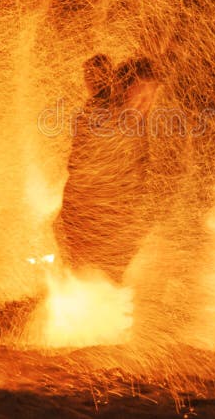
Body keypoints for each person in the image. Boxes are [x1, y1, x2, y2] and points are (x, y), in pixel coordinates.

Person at [55, 54, 158, 283]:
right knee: (91, 282)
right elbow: (84, 171)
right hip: (91, 222)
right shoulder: (101, 116)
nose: (146, 101)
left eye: (150, 95)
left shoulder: (137, 123)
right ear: (123, 88)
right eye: (141, 93)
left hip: (118, 224)